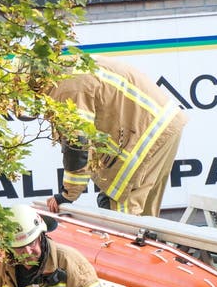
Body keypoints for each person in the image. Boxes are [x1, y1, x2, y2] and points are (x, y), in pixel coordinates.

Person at [43, 55, 188, 217]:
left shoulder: (67, 88)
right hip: (163, 125)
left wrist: (67, 195)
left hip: (144, 136)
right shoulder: (69, 67)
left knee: (122, 212)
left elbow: (77, 144)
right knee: (146, 214)